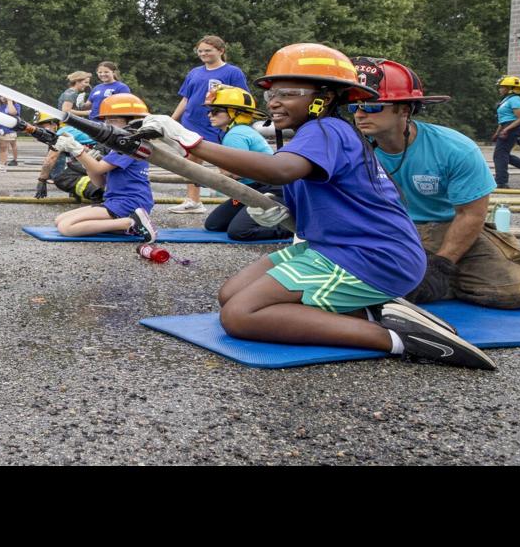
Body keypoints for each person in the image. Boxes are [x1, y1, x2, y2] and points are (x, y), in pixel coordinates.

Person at [133, 43, 494, 370]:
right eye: (273, 93)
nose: (274, 101)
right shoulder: (315, 135)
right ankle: (373, 310)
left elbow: (281, 170)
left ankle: (399, 338)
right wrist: (276, 208)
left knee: (241, 315)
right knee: (230, 294)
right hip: (334, 247)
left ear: (324, 97)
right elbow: (305, 190)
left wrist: (188, 140)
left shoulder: (327, 130)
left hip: (370, 256)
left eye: (289, 93)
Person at [351, 57, 520, 309]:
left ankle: (435, 278)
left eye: (373, 106)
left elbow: (470, 214)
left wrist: (441, 266)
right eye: (354, 107)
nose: (360, 114)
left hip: (449, 229)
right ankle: (434, 280)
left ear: (404, 110)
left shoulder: (454, 149)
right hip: (392, 231)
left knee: (517, 291)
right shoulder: (351, 150)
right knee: (354, 282)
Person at [46, 93, 156, 242]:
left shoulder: (131, 145)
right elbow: (100, 182)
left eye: (113, 120)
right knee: (59, 220)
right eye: (106, 121)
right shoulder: (117, 146)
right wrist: (87, 157)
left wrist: (77, 150)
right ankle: (123, 226)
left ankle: (131, 222)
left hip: (130, 202)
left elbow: (98, 169)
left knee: (66, 227)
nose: (107, 125)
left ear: (132, 122)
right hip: (115, 201)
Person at [166, 35, 249, 214]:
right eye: (200, 51)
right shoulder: (194, 72)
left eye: (208, 50)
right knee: (190, 163)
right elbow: (186, 98)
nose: (203, 54)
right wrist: (172, 120)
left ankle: (241, 201)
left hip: (216, 123)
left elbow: (242, 98)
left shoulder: (233, 72)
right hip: (191, 122)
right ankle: (193, 201)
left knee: (226, 166)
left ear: (221, 50)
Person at [201, 87, 292, 242]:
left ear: (234, 113)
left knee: (239, 232)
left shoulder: (235, 135)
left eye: (216, 111)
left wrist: (204, 178)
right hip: (251, 188)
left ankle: (290, 230)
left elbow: (236, 173)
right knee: (214, 225)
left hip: (270, 190)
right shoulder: (240, 131)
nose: (210, 115)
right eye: (209, 111)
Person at [31, 111, 95, 198]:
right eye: (38, 127)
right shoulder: (68, 129)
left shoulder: (62, 133)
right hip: (98, 153)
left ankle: (87, 188)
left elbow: (51, 158)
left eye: (42, 126)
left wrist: (42, 180)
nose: (40, 130)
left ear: (53, 124)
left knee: (62, 176)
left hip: (99, 154)